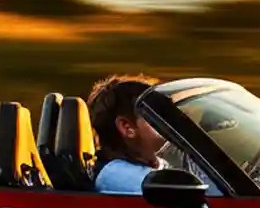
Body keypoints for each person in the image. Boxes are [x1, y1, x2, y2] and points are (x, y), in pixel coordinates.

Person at [86, 73, 220, 196]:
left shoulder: (153, 163)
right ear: (127, 128)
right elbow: (203, 197)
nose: (168, 122)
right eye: (155, 116)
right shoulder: (119, 176)